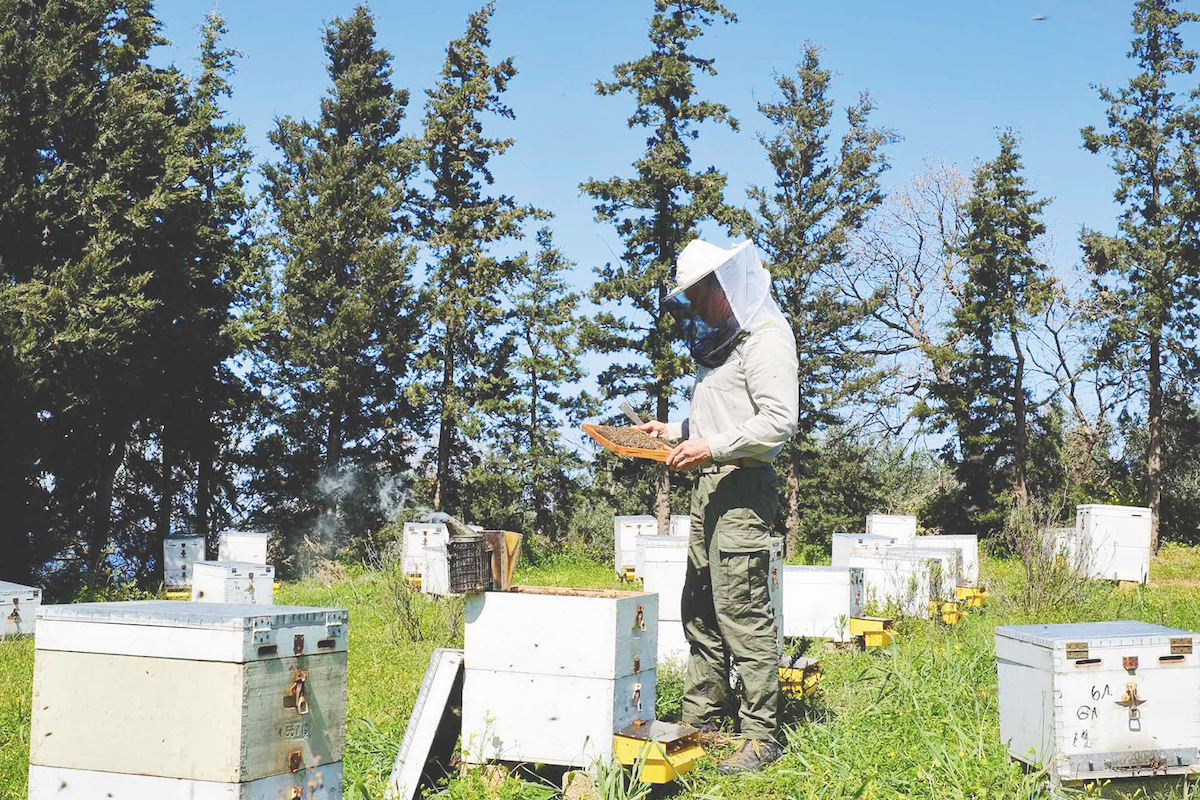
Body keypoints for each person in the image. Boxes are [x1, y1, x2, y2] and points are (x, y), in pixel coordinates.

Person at [636, 238, 799, 774]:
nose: (693, 306)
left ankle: (761, 735)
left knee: (743, 607)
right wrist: (678, 431)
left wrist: (708, 446)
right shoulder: (727, 344)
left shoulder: (768, 338)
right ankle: (703, 719)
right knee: (701, 607)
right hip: (710, 487)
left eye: (697, 294)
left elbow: (777, 422)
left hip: (744, 489)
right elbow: (726, 415)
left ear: (722, 286)